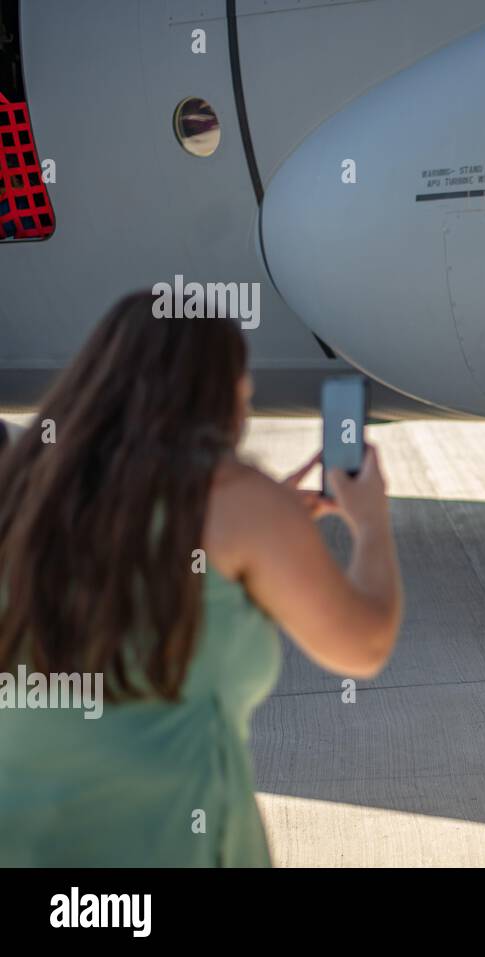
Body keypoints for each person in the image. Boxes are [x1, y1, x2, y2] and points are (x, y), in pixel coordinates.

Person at [0, 291, 402, 866]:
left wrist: (263, 528)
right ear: (216, 389)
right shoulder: (234, 499)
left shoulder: (23, 484)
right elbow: (364, 645)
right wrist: (369, 523)